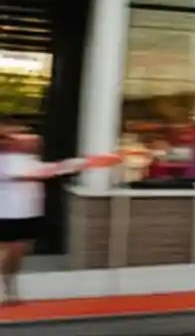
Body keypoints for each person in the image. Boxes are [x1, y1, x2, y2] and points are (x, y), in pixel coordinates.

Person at [0, 124, 117, 304]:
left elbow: (46, 169)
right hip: (6, 215)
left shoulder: (28, 159)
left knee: (17, 254)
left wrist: (87, 163)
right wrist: (89, 162)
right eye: (28, 141)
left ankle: (9, 290)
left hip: (27, 214)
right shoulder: (6, 161)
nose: (35, 143)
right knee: (8, 253)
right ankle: (5, 291)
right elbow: (43, 171)